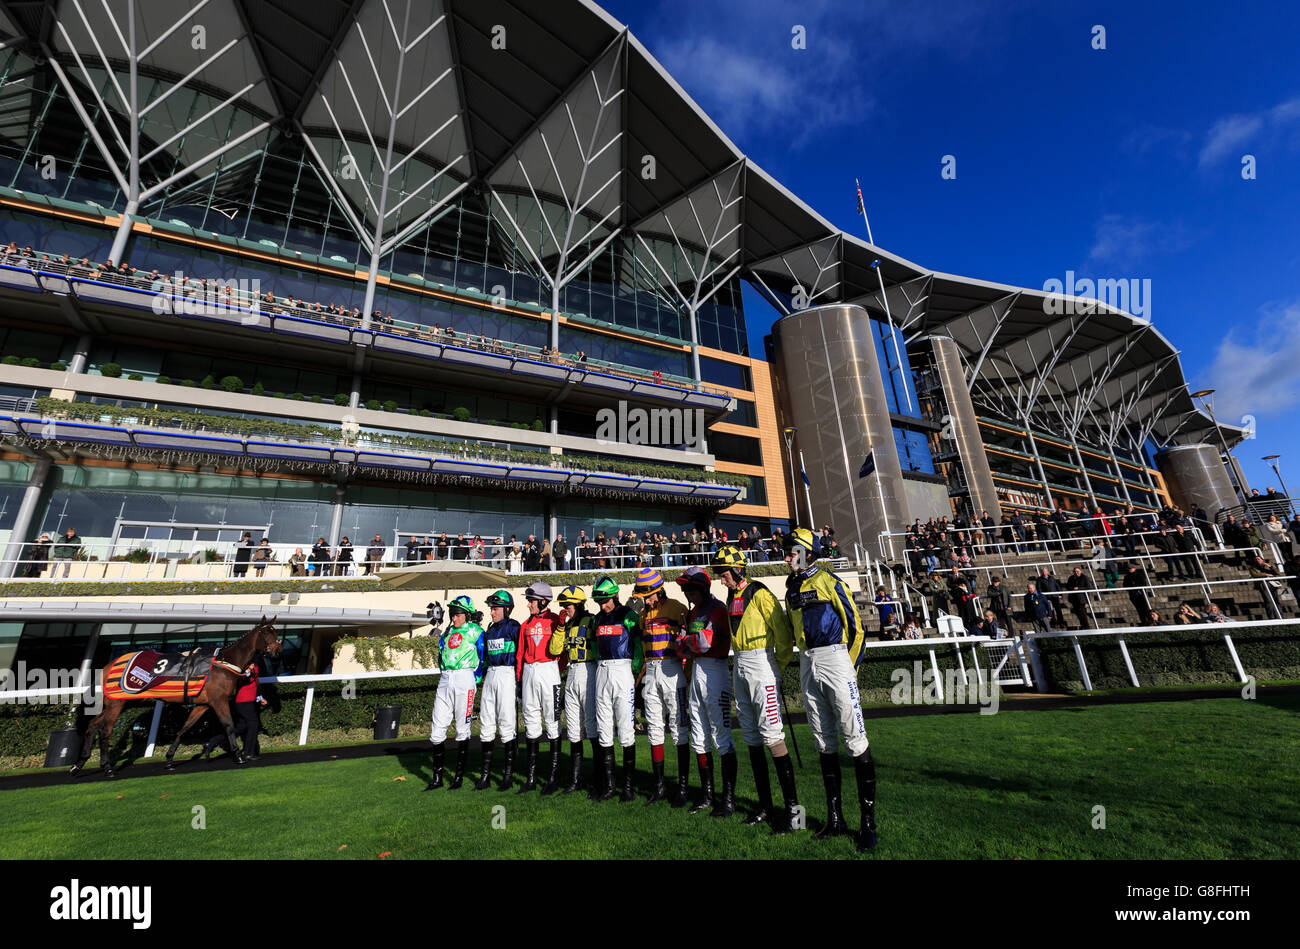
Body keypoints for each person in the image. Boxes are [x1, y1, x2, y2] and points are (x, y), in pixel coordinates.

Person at [783, 527, 876, 851]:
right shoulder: (790, 589)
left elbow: (857, 628)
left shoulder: (830, 581)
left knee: (854, 738)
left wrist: (850, 668)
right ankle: (834, 819)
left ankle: (868, 823)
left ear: (808, 553)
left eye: (792, 551)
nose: (787, 556)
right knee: (823, 740)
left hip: (836, 659)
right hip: (807, 662)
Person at [712, 545, 800, 832]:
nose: (720, 579)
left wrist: (776, 669)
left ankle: (793, 813)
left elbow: (784, 635)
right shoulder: (731, 596)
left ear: (737, 570)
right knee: (750, 735)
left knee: (772, 735)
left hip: (762, 663)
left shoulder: (759, 592)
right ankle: (764, 807)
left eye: (723, 573)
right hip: (739, 664)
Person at [673, 565, 737, 817]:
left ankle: (728, 799)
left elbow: (704, 642)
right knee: (698, 735)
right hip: (697, 671)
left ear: (702, 587)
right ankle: (707, 796)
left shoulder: (718, 609)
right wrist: (689, 644)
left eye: (690, 588)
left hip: (716, 672)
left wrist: (688, 643)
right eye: (684, 589)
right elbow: (680, 646)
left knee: (721, 734)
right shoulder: (694, 613)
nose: (686, 593)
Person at [630, 567, 691, 806]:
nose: (647, 600)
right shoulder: (644, 614)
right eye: (644, 596)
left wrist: (686, 673)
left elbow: (688, 645)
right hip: (651, 673)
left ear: (659, 590)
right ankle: (659, 788)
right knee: (654, 728)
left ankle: (683, 789)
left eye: (649, 595)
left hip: (673, 671)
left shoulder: (678, 609)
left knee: (678, 727)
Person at [590, 575, 643, 802]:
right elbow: (593, 645)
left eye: (606, 600)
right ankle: (610, 786)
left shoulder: (629, 616)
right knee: (603, 728)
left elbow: (639, 644)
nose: (603, 605)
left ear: (614, 596)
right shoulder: (596, 620)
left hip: (623, 671)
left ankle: (628, 788)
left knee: (625, 728)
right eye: (599, 601)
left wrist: (635, 668)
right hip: (602, 670)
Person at [423, 596, 484, 790]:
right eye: (452, 614)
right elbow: (440, 655)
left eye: (457, 614)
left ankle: (458, 778)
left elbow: (484, 657)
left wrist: (475, 679)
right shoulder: (447, 632)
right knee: (437, 728)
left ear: (467, 614)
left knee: (462, 729)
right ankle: (437, 778)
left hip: (464, 679)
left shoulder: (476, 631)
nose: (454, 618)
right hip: (445, 679)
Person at [514, 581, 565, 794]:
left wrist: (556, 671)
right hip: (529, 673)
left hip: (548, 671)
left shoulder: (556, 620)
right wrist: (518, 679)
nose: (529, 605)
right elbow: (520, 654)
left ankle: (553, 778)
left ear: (543, 601)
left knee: (552, 722)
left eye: (531, 601)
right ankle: (532, 778)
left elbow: (562, 653)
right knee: (531, 723)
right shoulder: (525, 624)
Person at [556, 585, 598, 794]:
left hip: (588, 671)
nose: (566, 608)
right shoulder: (567, 624)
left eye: (569, 605)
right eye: (564, 605)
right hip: (571, 674)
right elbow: (557, 650)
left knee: (591, 725)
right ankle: (575, 780)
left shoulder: (591, 621)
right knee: (572, 728)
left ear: (580, 604)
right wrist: (561, 626)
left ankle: (598, 778)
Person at [476, 590, 520, 791]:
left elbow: (520, 655)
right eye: (491, 609)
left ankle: (508, 776)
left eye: (495, 609)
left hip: (507, 674)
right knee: (486, 721)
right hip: (491, 676)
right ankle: (484, 776)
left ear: (507, 609)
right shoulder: (490, 630)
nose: (492, 613)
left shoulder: (514, 627)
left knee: (506, 722)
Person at [202, 659, 268, 760]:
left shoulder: (256, 665)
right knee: (253, 724)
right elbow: (240, 681)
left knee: (241, 727)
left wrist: (260, 698)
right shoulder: (243, 666)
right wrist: (247, 672)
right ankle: (249, 753)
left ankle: (212, 742)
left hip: (248, 701)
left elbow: (255, 684)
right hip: (243, 702)